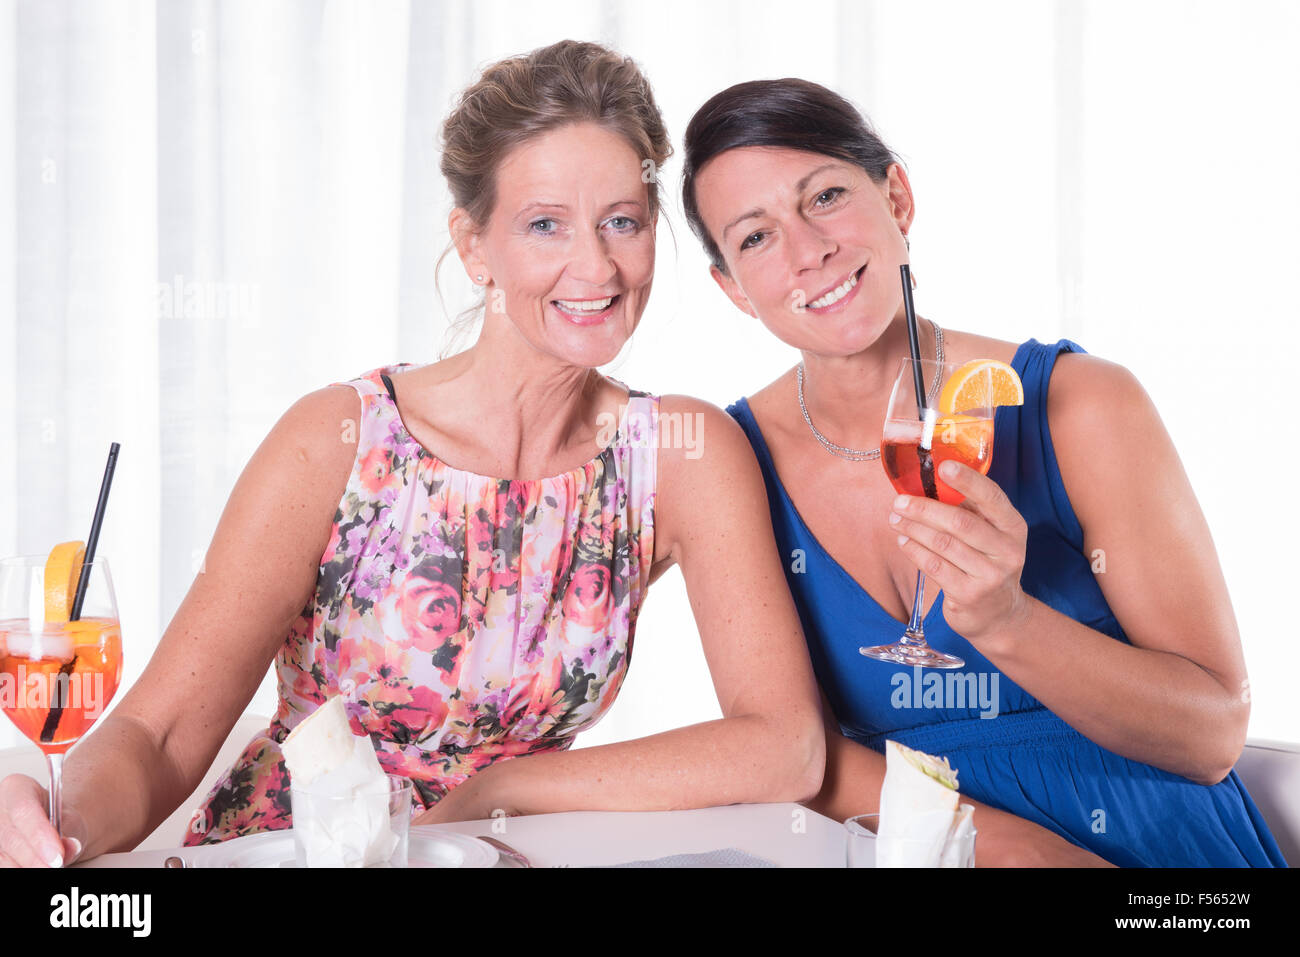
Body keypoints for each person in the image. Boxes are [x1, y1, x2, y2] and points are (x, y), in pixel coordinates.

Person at [0, 41, 824, 867]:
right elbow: (160, 731)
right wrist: (51, 823)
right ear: (474, 246)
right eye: (545, 224)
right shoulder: (342, 440)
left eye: (622, 220)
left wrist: (509, 790)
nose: (597, 264)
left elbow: (785, 745)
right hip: (292, 855)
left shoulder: (679, 455)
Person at [680, 77, 1286, 867]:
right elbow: (798, 761)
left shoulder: (1079, 405)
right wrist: (1020, 850)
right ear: (732, 288)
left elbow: (1211, 736)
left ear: (896, 197)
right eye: (755, 238)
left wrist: (1010, 622)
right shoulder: (730, 460)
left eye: (825, 196)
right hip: (929, 850)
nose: (807, 251)